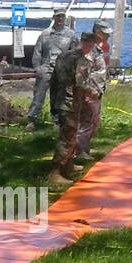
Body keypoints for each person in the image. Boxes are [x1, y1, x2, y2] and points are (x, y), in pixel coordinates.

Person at [49, 32, 96, 186]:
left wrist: (53, 102)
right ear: (89, 44)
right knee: (67, 137)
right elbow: (81, 83)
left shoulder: (63, 56)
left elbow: (53, 80)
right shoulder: (80, 59)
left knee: (69, 133)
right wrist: (94, 92)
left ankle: (68, 164)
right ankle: (55, 172)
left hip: (60, 99)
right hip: (71, 103)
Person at [26, 11, 76, 128]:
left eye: (62, 16)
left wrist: (72, 70)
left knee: (59, 96)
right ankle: (32, 119)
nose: (60, 19)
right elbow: (37, 52)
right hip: (45, 68)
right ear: (53, 17)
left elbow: (74, 54)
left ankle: (57, 120)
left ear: (65, 18)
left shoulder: (71, 35)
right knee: (39, 95)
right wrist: (37, 68)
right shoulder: (45, 34)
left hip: (62, 70)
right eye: (58, 16)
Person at [75, 21, 110, 160]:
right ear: (98, 32)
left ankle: (85, 147)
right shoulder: (88, 50)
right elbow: (81, 73)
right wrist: (88, 90)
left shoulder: (97, 49)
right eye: (105, 33)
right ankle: (79, 150)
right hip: (89, 92)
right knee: (86, 122)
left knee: (93, 123)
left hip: (96, 90)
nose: (108, 36)